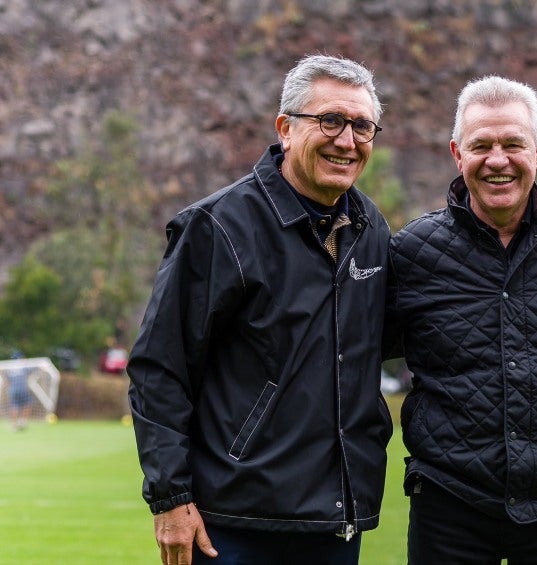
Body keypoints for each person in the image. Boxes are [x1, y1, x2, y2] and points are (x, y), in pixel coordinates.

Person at [127, 55, 393, 565]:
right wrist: (170, 499)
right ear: (285, 129)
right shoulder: (217, 227)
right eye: (330, 121)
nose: (347, 140)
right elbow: (159, 368)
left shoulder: (371, 229)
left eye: (362, 126)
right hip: (232, 526)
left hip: (335, 523)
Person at [383, 75, 537, 564]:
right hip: (447, 505)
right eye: (481, 145)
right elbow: (354, 354)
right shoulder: (412, 252)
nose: (498, 160)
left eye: (513, 143)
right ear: (458, 154)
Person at [6, 350, 32, 431]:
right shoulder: (23, 365)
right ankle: (22, 422)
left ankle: (13, 425)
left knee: (14, 406)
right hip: (22, 388)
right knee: (28, 403)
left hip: (12, 389)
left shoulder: (9, 368)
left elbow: (8, 380)